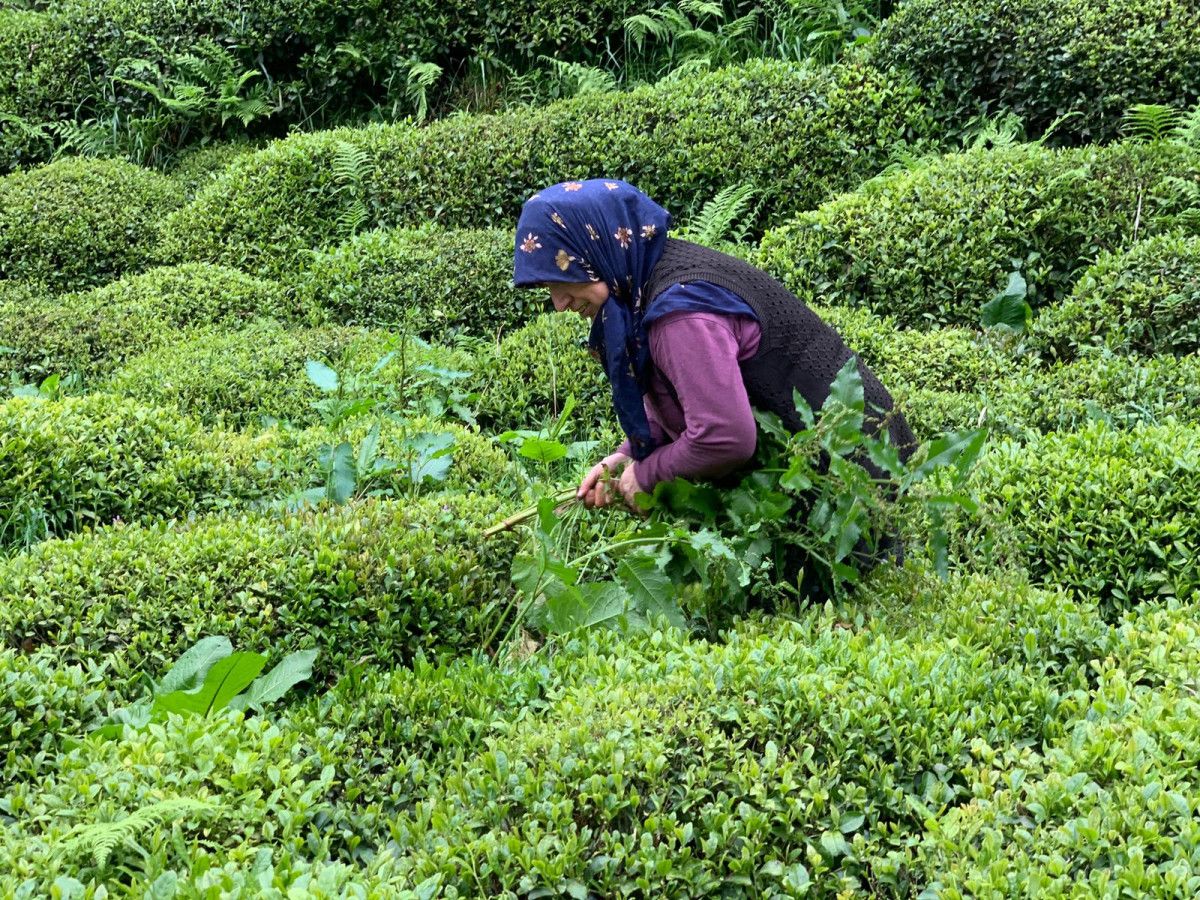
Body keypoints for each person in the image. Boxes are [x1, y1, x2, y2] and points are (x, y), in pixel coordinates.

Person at [512, 178, 915, 513]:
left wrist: (648, 476)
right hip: (824, 467)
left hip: (857, 485)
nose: (559, 303)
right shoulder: (644, 275)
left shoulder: (680, 314)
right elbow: (685, 398)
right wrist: (629, 456)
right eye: (549, 288)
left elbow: (724, 437)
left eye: (563, 281)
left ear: (597, 253)